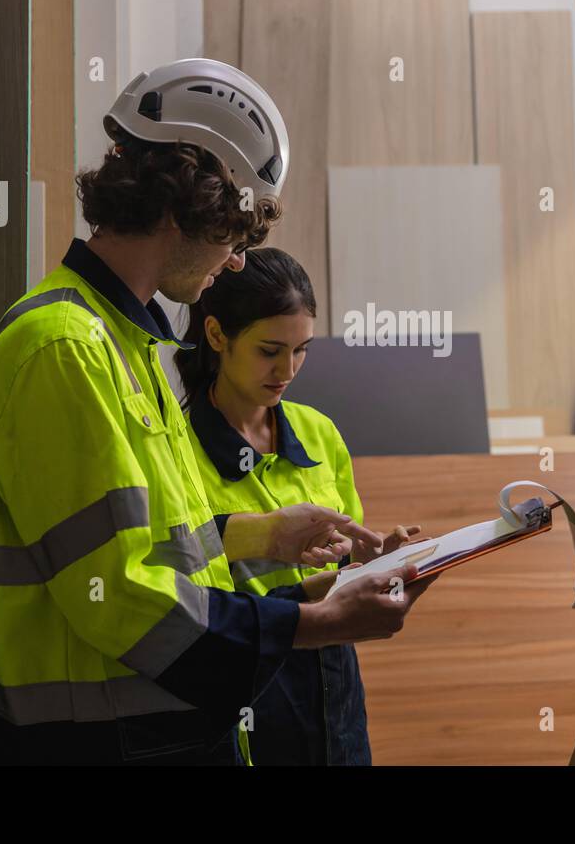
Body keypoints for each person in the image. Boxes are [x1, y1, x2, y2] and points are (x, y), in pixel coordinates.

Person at [0, 59, 432, 765]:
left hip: (146, 734)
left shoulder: (128, 347)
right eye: (237, 230)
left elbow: (157, 553)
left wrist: (277, 545)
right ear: (190, 199)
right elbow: (116, 593)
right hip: (93, 744)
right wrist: (315, 622)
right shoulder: (62, 347)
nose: (240, 260)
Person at [176, 247, 417, 765]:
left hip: (337, 689)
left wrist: (376, 564)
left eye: (302, 350)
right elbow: (181, 595)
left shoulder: (318, 432)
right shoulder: (177, 450)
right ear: (217, 336)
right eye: (269, 350)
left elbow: (342, 566)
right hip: (245, 693)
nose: (287, 370)